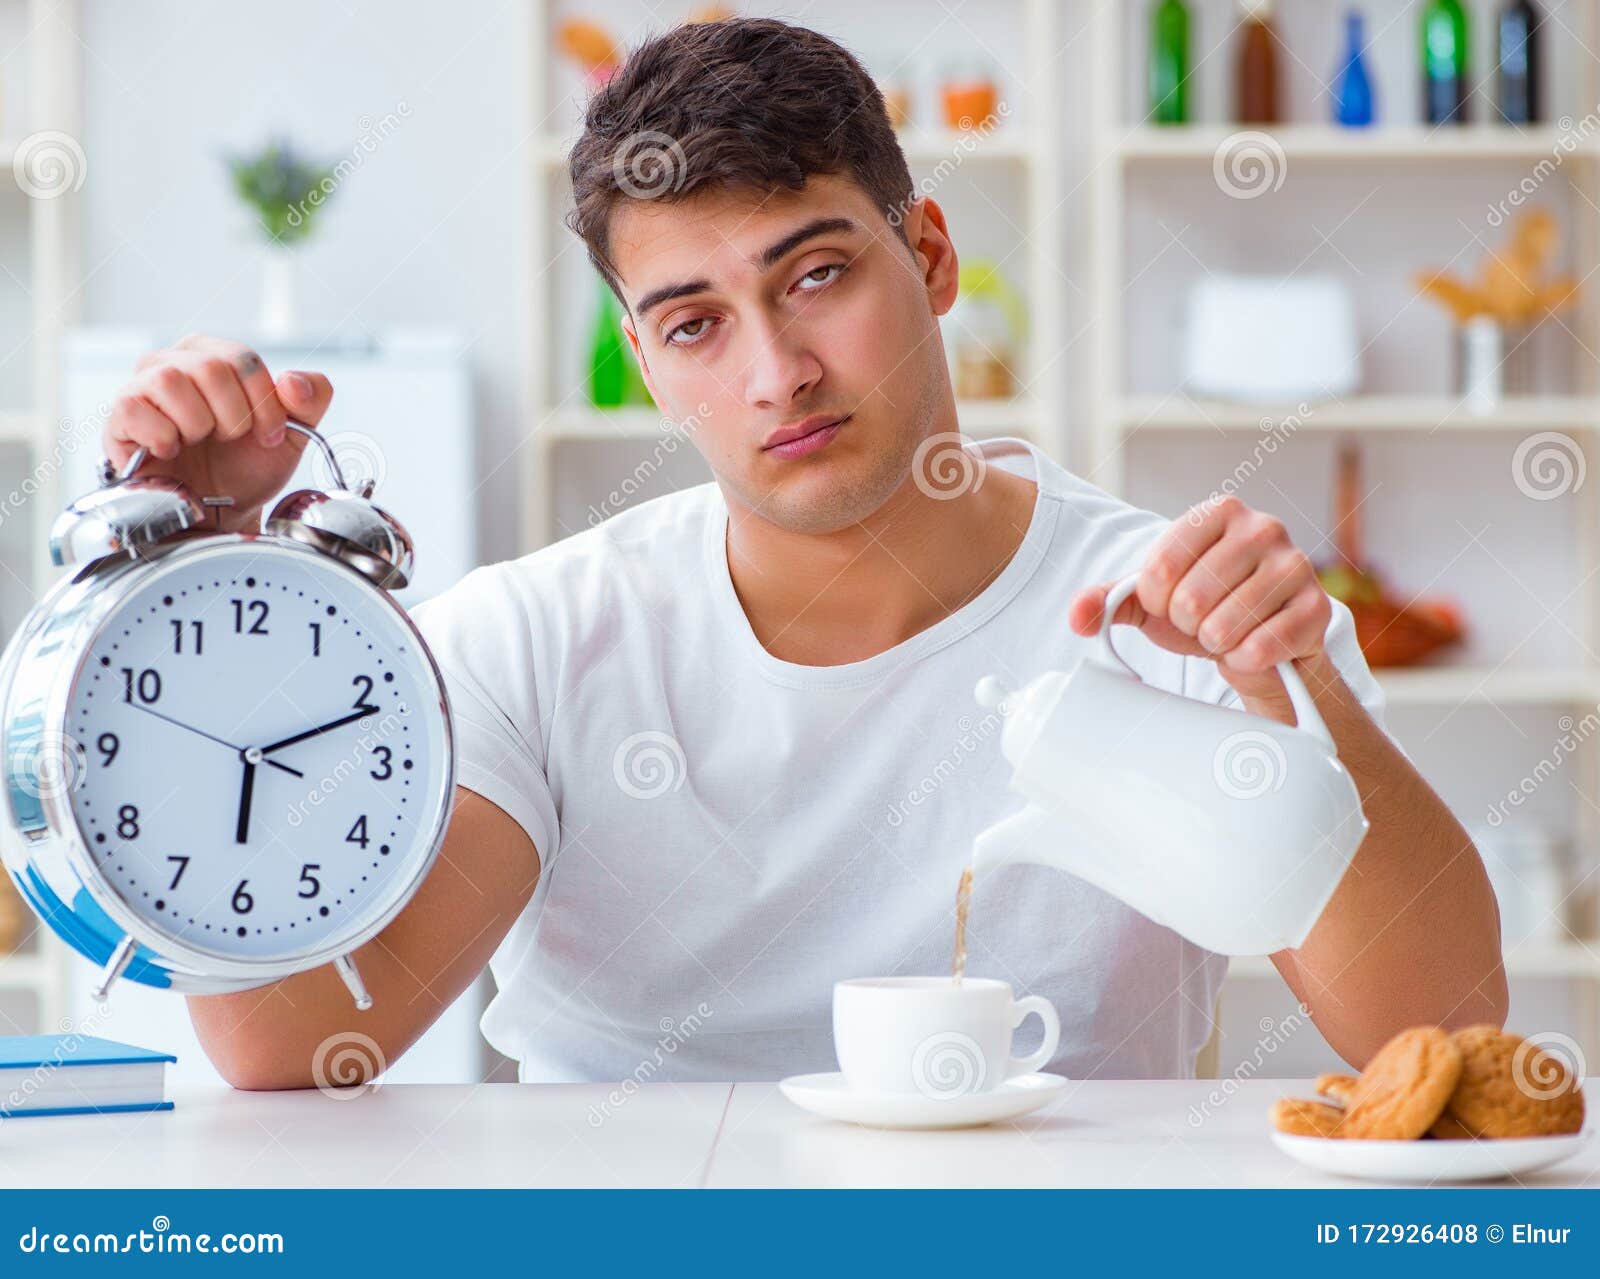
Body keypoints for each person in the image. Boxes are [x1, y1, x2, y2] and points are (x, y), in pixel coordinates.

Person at [102, 18, 1505, 1088]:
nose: (777, 371)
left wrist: (1292, 691)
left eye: (817, 275)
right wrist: (213, 593)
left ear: (933, 258)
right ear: (644, 363)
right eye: (696, 322)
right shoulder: (541, 640)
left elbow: (1438, 1035)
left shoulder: (1170, 614)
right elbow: (292, 1047)